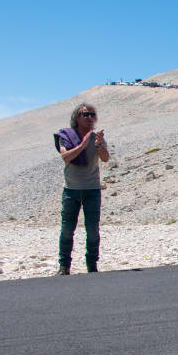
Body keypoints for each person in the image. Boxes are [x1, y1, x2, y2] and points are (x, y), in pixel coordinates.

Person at [54, 103, 109, 274]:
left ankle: (92, 265)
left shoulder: (97, 137)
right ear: (77, 118)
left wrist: (99, 145)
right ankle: (64, 266)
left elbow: (105, 158)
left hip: (92, 189)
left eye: (92, 114)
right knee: (67, 229)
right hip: (71, 189)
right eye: (86, 114)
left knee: (93, 228)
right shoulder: (66, 136)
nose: (90, 117)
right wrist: (83, 145)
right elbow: (66, 157)